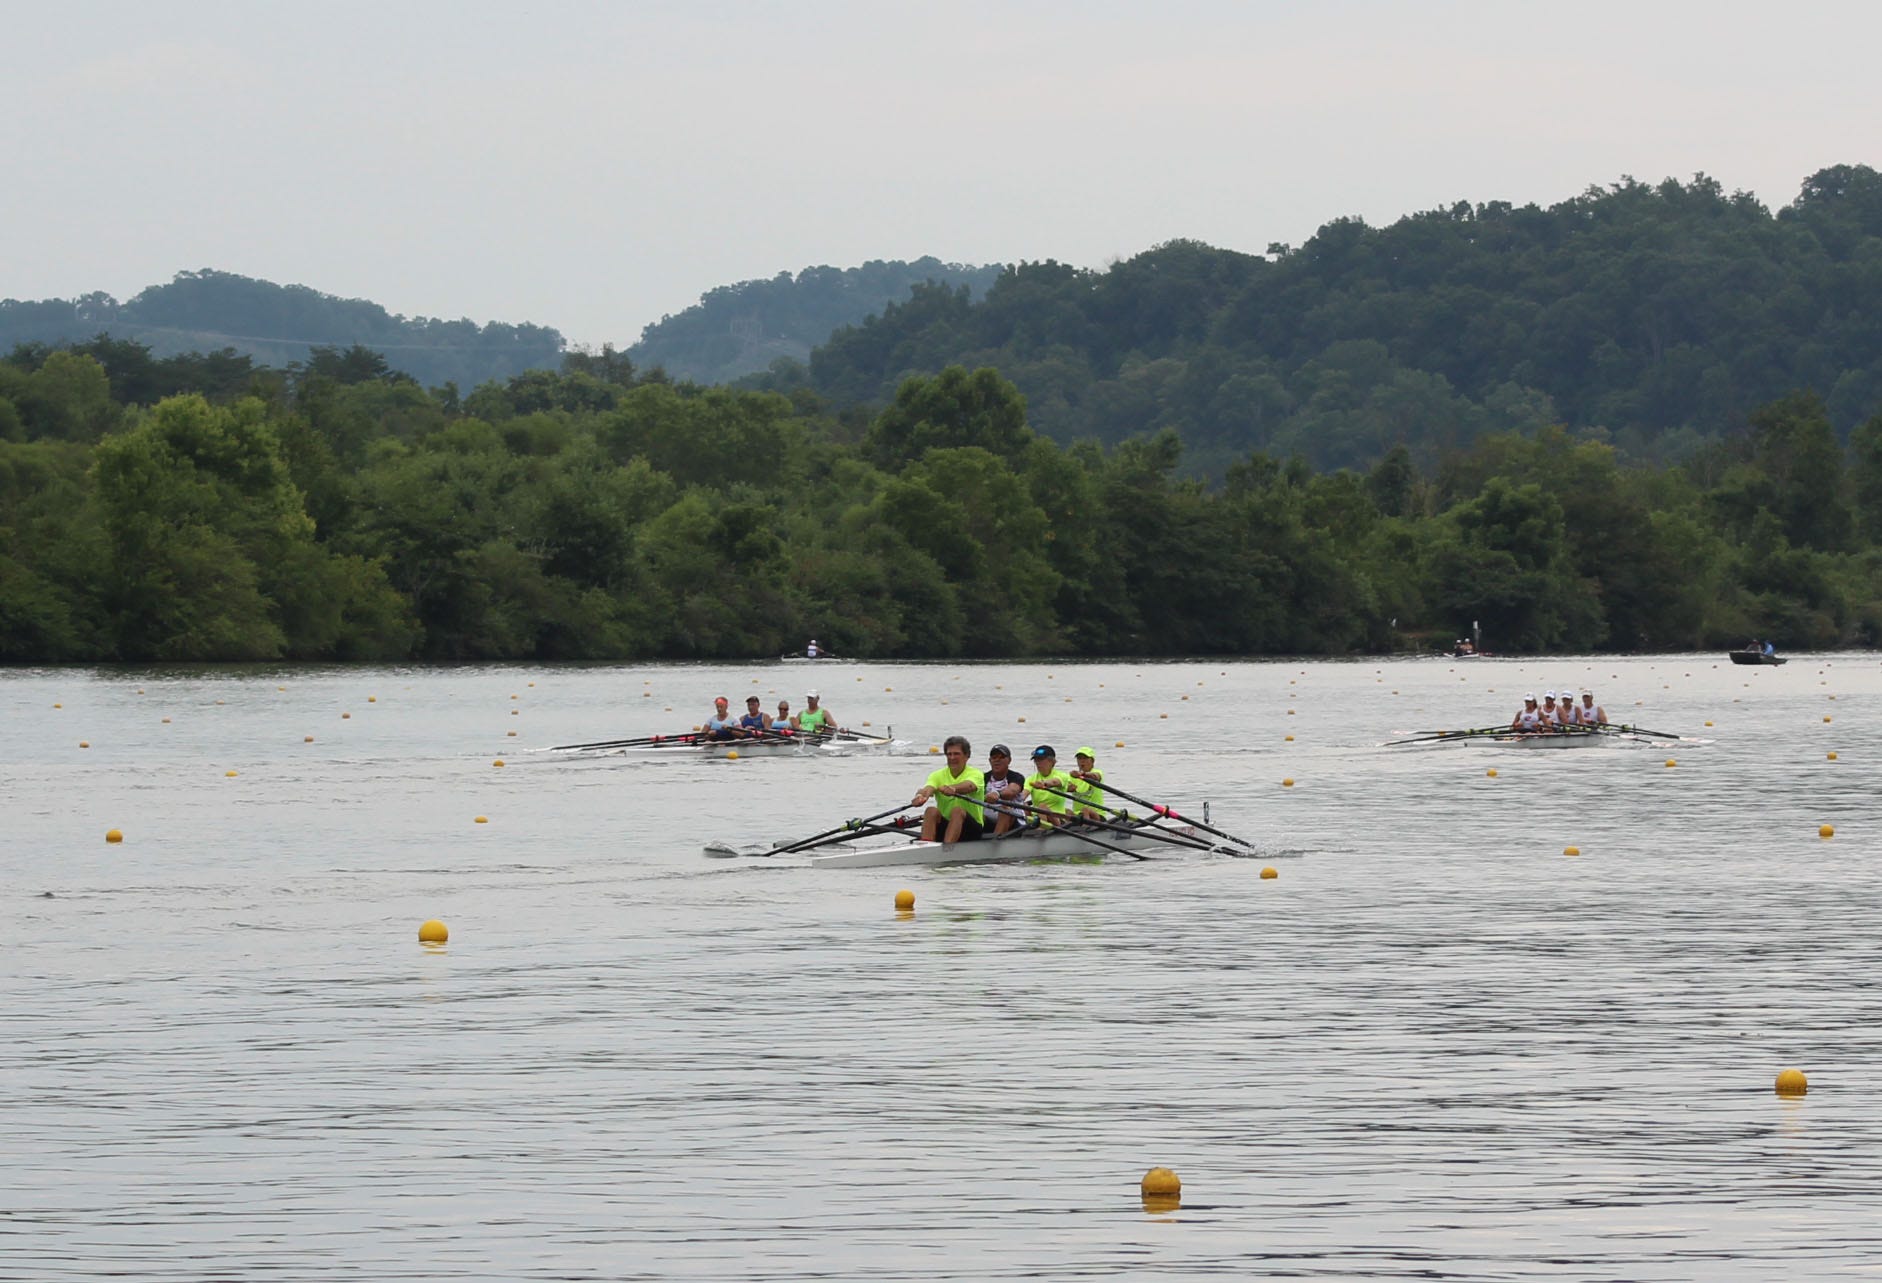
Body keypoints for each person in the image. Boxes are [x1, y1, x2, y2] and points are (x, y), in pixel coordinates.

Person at [912, 735, 984, 843]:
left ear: (967, 756)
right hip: (947, 825)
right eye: (949, 754)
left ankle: (947, 849)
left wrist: (953, 789)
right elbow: (928, 789)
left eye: (956, 754)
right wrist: (920, 796)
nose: (952, 758)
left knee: (957, 811)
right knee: (930, 810)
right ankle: (926, 846)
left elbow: (969, 786)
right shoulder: (937, 775)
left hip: (971, 829)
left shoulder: (976, 774)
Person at [1024, 745, 1077, 826]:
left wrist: (1044, 784)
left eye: (1041, 760)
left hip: (1057, 818)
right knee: (1023, 805)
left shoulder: (1062, 775)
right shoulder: (1031, 779)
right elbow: (1024, 794)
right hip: (1036, 818)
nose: (1038, 763)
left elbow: (1055, 782)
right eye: (1036, 760)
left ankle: (1041, 830)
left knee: (1042, 806)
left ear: (1052, 761)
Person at [982, 744, 1028, 835]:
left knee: (1005, 809)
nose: (997, 760)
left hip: (1014, 821)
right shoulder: (983, 778)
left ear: (1009, 760)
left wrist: (997, 794)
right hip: (988, 820)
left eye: (1001, 757)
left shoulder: (1016, 777)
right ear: (990, 761)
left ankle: (994, 844)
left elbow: (1011, 792)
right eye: (994, 757)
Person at [1067, 747, 1108, 821]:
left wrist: (1083, 774)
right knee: (1065, 811)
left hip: (1097, 814)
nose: (1082, 761)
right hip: (1078, 815)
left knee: (1086, 810)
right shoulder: (1073, 777)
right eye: (1079, 758)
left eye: (1085, 758)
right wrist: (1067, 788)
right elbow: (1066, 786)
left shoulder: (1097, 772)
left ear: (1092, 761)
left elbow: (1096, 776)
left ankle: (1086, 828)